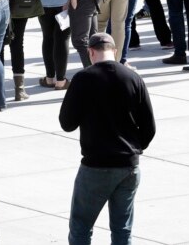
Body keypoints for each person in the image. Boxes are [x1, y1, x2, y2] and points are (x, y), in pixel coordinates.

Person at [59, 32, 156, 245]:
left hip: (95, 166)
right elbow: (149, 127)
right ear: (114, 51)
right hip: (128, 166)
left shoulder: (83, 78)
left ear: (91, 52)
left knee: (81, 227)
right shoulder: (133, 78)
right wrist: (134, 148)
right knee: (122, 230)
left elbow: (67, 123)